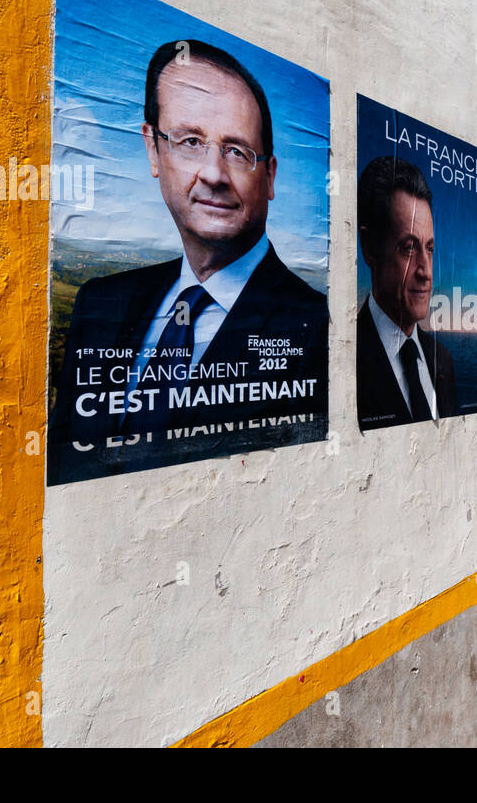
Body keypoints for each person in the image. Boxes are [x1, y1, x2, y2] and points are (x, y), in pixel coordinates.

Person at [48, 39, 327, 481]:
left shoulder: (321, 330)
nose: (214, 174)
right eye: (191, 141)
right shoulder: (98, 303)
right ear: (153, 149)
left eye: (237, 151)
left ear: (269, 176)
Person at [355, 156, 456, 429]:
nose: (426, 271)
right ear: (370, 248)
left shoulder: (443, 361)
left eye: (430, 249)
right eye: (409, 248)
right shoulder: (347, 361)